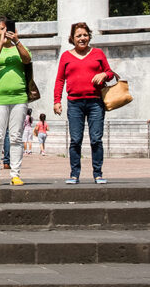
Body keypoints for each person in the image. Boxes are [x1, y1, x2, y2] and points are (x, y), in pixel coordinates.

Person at [52, 20, 114, 185]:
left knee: (96, 139)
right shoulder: (66, 56)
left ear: (89, 37)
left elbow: (110, 72)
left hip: (95, 103)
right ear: (72, 38)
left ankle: (98, 174)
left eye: (85, 35)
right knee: (75, 139)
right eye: (78, 35)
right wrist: (56, 101)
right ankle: (74, 174)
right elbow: (60, 80)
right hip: (74, 104)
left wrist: (104, 75)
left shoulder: (98, 53)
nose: (82, 38)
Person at [0, 15, 32, 186]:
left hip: (19, 98)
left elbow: (27, 59)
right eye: (2, 29)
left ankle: (15, 174)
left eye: (8, 28)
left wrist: (17, 42)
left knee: (16, 137)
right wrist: (1, 43)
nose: (5, 31)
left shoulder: (19, 48)